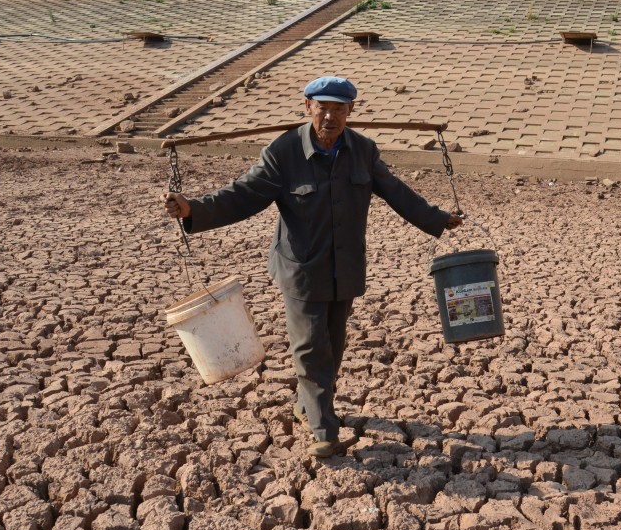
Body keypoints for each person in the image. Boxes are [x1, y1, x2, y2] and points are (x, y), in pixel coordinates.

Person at [164, 76, 462, 457]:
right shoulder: (283, 152)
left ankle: (307, 405)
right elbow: (243, 195)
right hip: (301, 270)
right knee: (309, 349)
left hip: (345, 268)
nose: (330, 116)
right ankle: (323, 428)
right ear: (307, 106)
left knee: (333, 347)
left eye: (339, 109)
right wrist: (194, 209)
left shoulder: (363, 151)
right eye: (323, 107)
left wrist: (438, 218)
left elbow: (396, 192)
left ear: (351, 112)